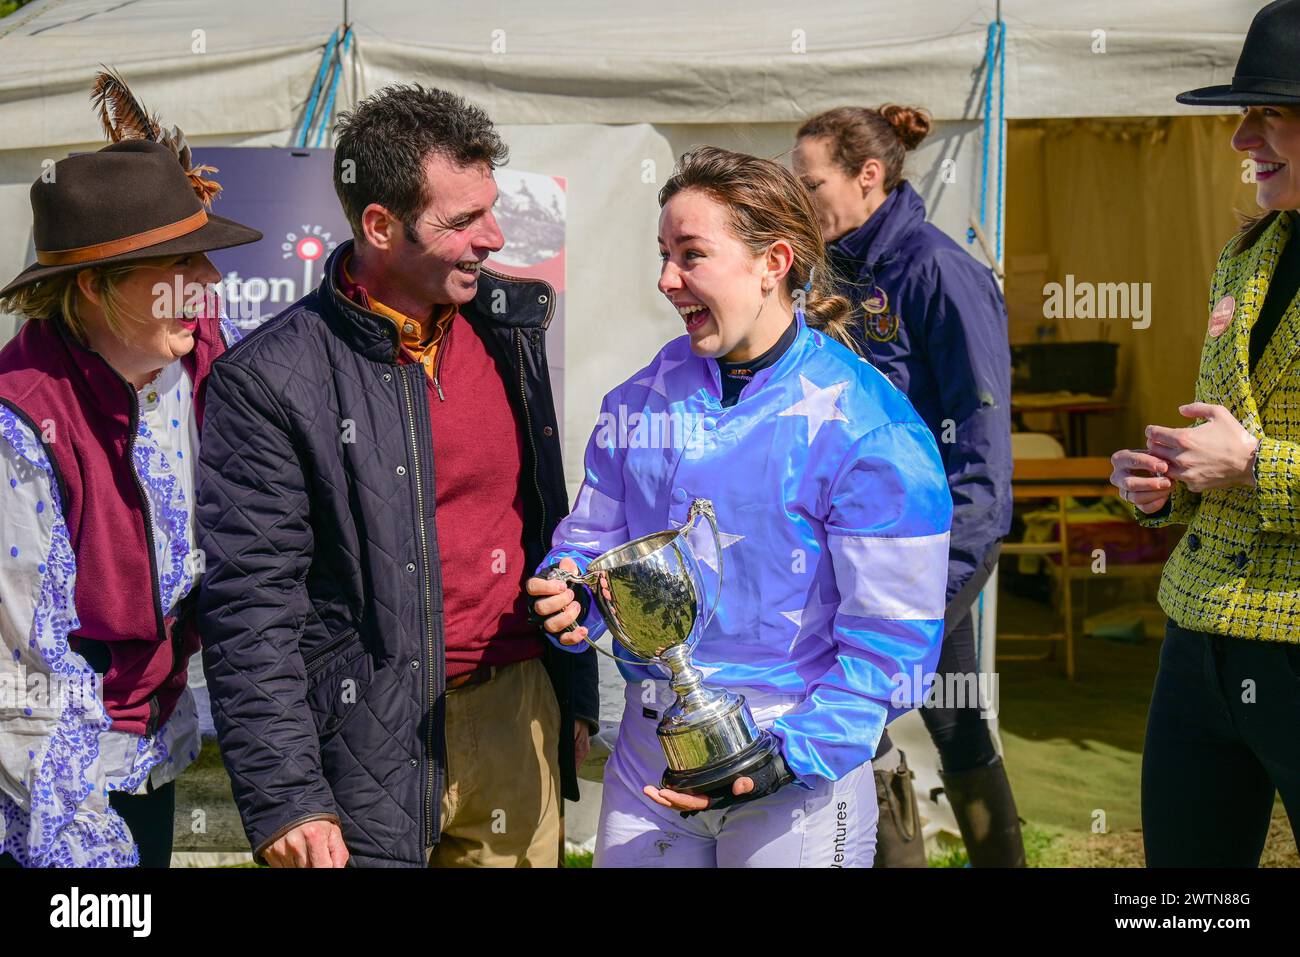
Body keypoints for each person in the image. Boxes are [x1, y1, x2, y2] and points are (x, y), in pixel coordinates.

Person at [196, 85, 598, 868]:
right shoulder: (268, 379)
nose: (494, 237)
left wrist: (568, 692)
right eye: (463, 221)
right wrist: (286, 794)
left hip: (520, 715)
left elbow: (548, 524)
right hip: (359, 736)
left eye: (491, 208)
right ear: (379, 225)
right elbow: (250, 601)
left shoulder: (512, 326)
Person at [525, 146, 951, 868]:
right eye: (663, 253)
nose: (666, 279)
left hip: (798, 761)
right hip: (652, 748)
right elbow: (593, 544)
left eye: (692, 254)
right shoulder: (637, 402)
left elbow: (894, 641)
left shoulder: (871, 425)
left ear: (772, 262)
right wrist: (572, 591)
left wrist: (788, 759)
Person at [0, 73, 263, 867]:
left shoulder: (200, 355)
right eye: (181, 264)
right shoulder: (21, 426)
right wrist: (86, 846)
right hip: (42, 776)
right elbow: (20, 678)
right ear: (94, 288)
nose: (210, 284)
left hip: (150, 747)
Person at [793, 105, 1020, 867]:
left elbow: (983, 439)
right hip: (849, 546)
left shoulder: (937, 270)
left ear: (868, 176)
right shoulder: (826, 268)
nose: (798, 196)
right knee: (922, 718)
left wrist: (946, 574)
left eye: (810, 180)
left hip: (926, 552)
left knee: (917, 715)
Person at [1109, 0, 1300, 867]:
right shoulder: (1245, 254)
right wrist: (1169, 478)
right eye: (1242, 114)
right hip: (1201, 635)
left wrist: (1255, 466)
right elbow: (1220, 434)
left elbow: (1250, 455)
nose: (1241, 139)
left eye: (1268, 114)